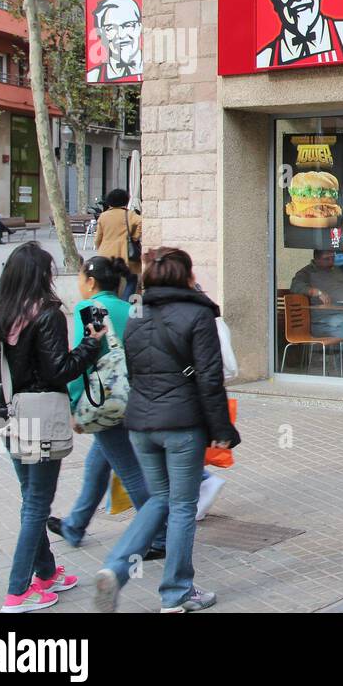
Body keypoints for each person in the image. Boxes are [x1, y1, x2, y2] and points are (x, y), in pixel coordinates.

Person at [94, 247, 239, 614]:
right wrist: (222, 429)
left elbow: (129, 366)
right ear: (187, 277)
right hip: (182, 424)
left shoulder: (136, 312)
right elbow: (209, 377)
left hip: (141, 422)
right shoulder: (198, 313)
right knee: (181, 506)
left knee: (158, 500)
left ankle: (116, 567)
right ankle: (176, 591)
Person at [0, 242, 104, 612]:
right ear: (40, 276)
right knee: (37, 503)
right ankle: (17, 592)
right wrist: (91, 344)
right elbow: (61, 370)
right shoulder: (48, 314)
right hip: (40, 419)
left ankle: (47, 573)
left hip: (8, 414)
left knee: (30, 498)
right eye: (50, 271)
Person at [46, 257, 166, 558]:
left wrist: (74, 405)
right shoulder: (130, 308)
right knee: (98, 463)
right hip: (133, 398)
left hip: (105, 403)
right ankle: (75, 524)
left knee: (130, 471)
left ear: (89, 281)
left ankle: (159, 537)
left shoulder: (89, 309)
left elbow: (81, 359)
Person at [95, 189, 141, 300]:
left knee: (112, 282)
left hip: (106, 253)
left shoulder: (103, 216)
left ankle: (112, 305)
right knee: (132, 279)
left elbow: (98, 238)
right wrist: (134, 236)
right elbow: (141, 222)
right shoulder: (129, 214)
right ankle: (124, 303)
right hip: (124, 253)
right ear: (126, 201)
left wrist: (99, 247)